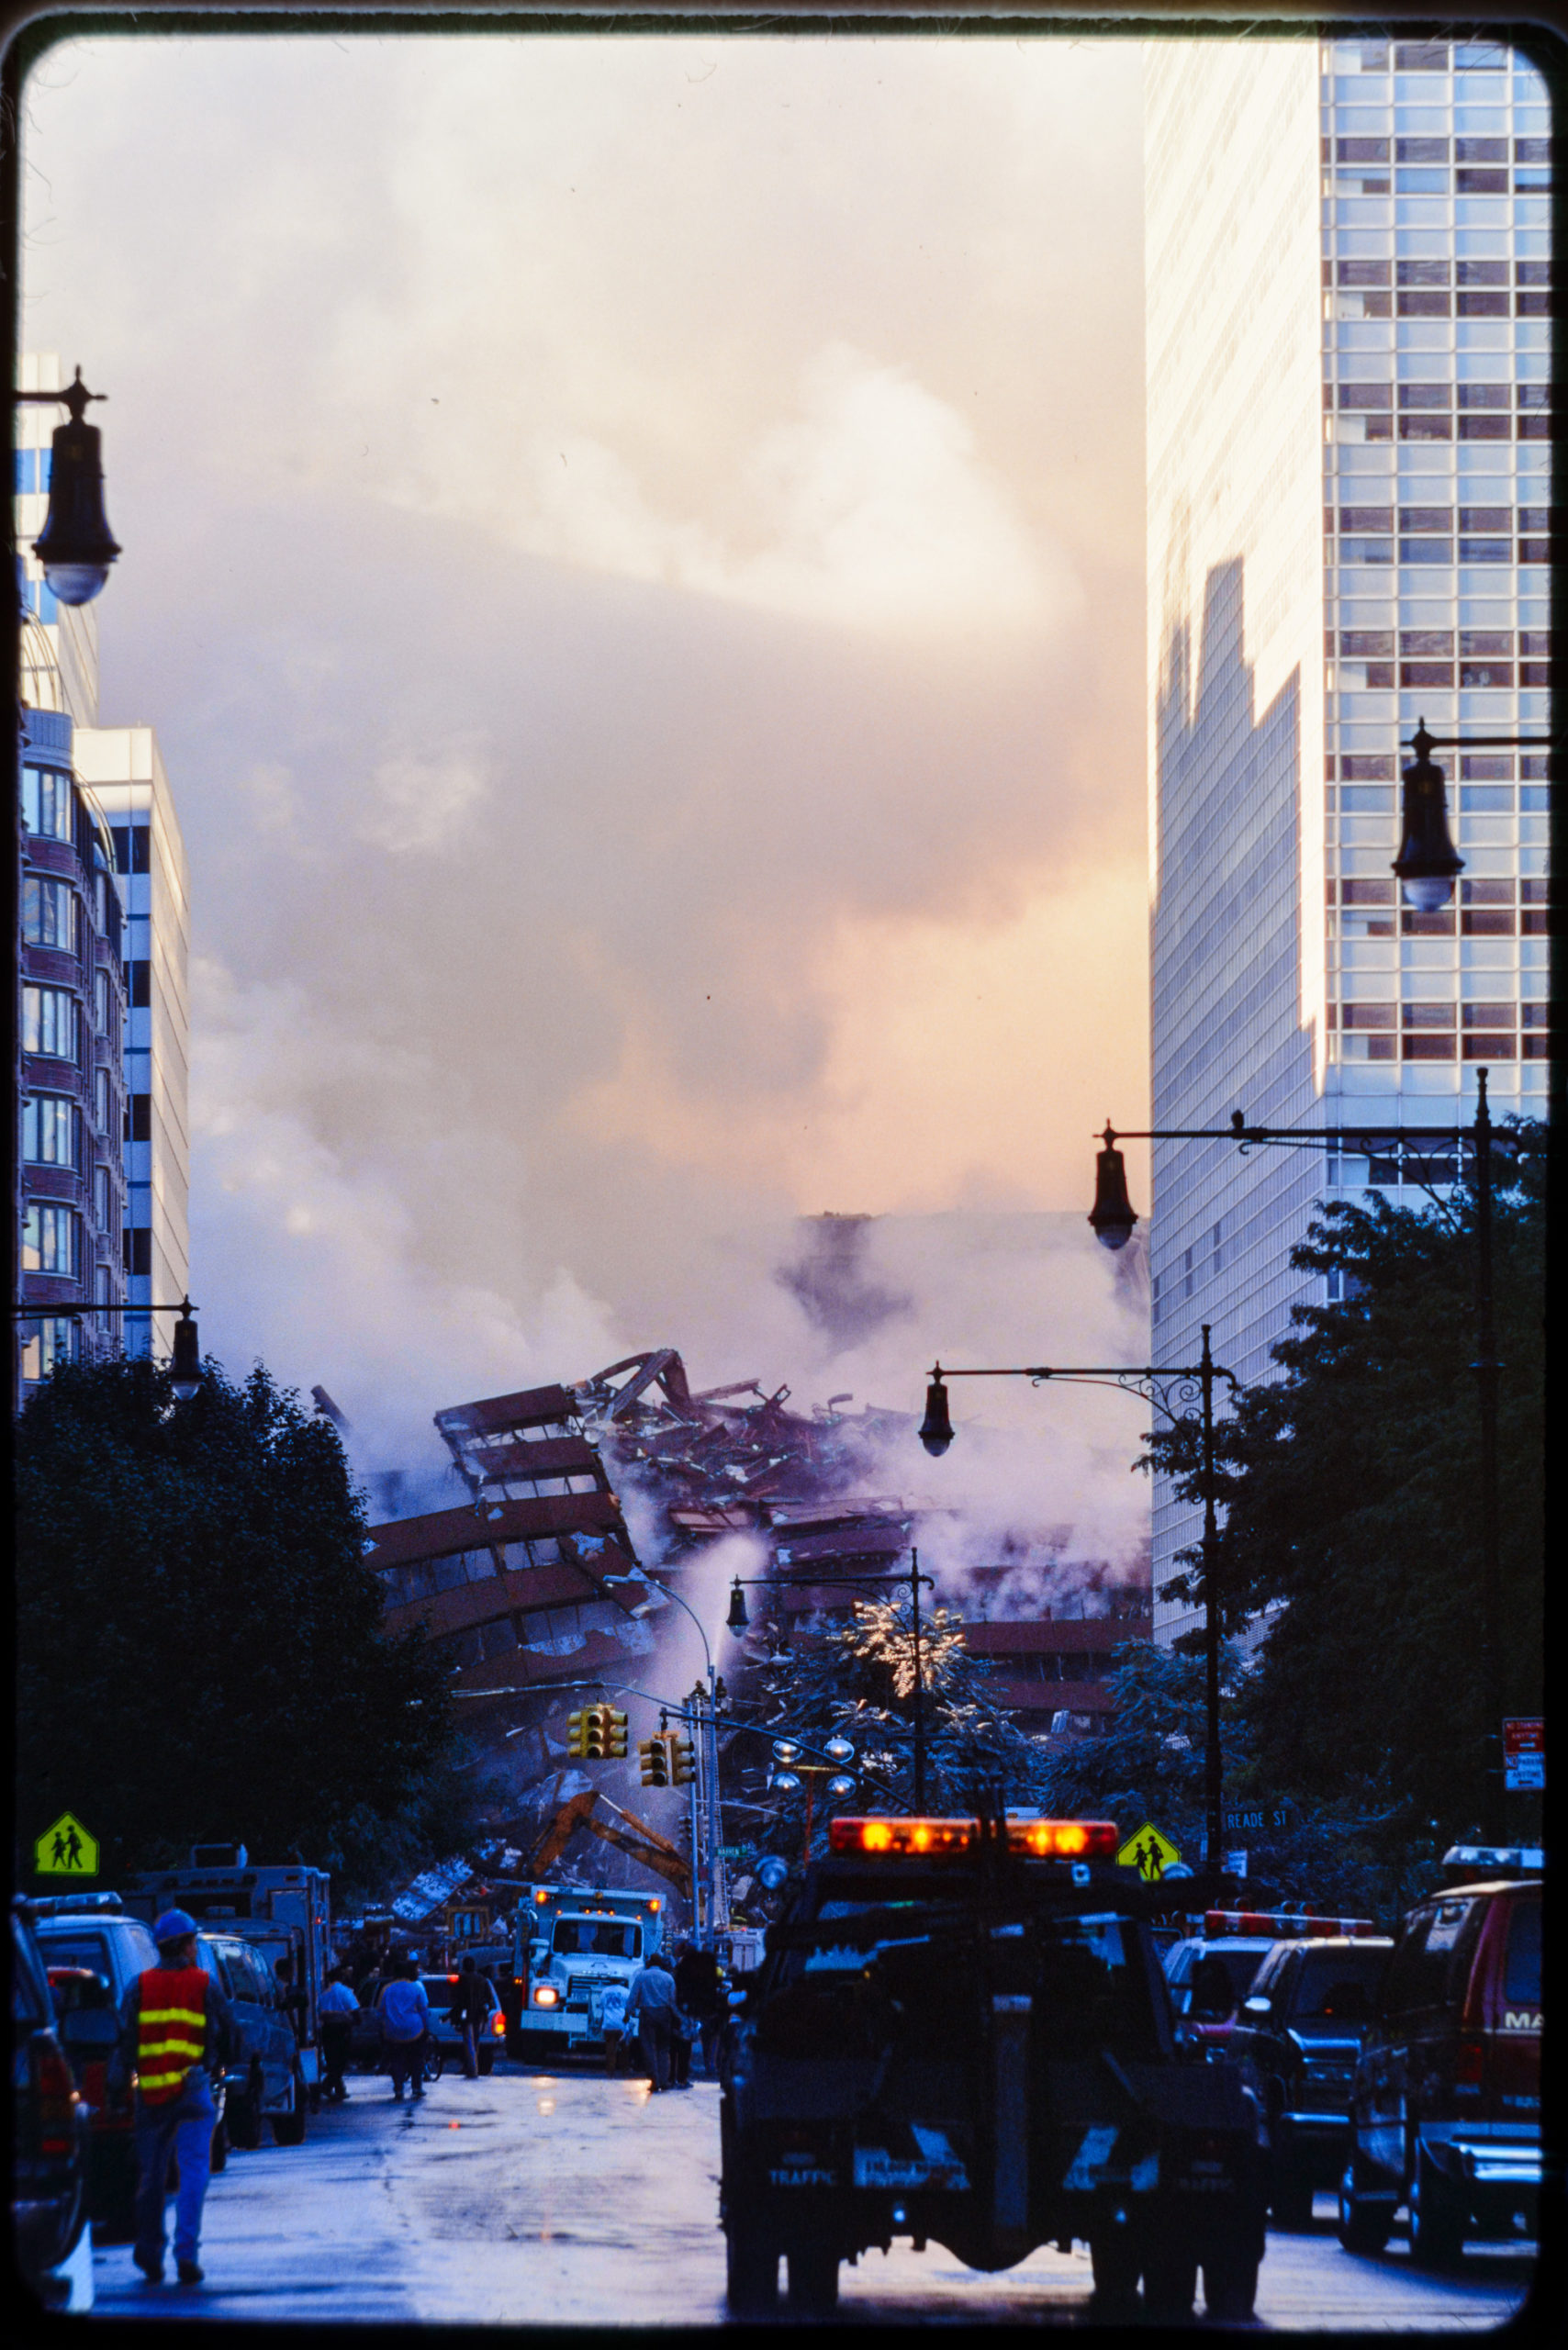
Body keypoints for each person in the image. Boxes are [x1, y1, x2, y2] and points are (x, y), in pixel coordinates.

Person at [109, 1908, 237, 2287]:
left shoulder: (138, 1986)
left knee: (151, 2177)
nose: (196, 1948)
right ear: (184, 1945)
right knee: (194, 2172)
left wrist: (119, 2088)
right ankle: (186, 2255)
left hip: (151, 2095)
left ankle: (149, 2253)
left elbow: (125, 2043)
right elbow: (229, 2033)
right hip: (194, 2089)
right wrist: (220, 2064)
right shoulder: (204, 1983)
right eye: (194, 1941)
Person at [622, 1949, 682, 2094]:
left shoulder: (642, 1976)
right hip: (664, 2014)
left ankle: (653, 2079)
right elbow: (673, 2000)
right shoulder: (668, 1978)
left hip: (647, 2014)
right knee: (663, 2048)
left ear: (649, 1963)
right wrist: (678, 2017)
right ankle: (664, 2080)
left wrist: (628, 2012)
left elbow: (633, 1996)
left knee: (649, 2047)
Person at [375, 1956, 431, 2103]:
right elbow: (423, 2010)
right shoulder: (416, 1987)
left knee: (396, 2060)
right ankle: (417, 2087)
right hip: (414, 2029)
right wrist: (426, 2028)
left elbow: (380, 2011)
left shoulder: (387, 1989)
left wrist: (383, 2027)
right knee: (417, 2059)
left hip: (393, 2031)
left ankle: (398, 2088)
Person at [673, 1940, 725, 2080]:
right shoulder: (713, 1974)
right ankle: (708, 2066)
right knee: (709, 2042)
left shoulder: (680, 1966)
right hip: (705, 2015)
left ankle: (685, 2070)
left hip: (690, 2012)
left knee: (694, 2042)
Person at [319, 1968, 359, 2102]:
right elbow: (355, 2011)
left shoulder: (324, 1994)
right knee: (341, 2061)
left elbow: (320, 2012)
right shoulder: (346, 1992)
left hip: (327, 2030)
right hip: (342, 2030)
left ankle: (339, 2089)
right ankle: (327, 2085)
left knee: (332, 2060)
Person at [451, 1955, 494, 2080]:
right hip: (479, 2015)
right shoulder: (483, 1980)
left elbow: (458, 1999)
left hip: (466, 2014)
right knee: (475, 2042)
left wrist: (454, 2015)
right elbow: (489, 1999)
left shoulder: (462, 1979)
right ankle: (473, 2067)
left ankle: (472, 2069)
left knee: (468, 2041)